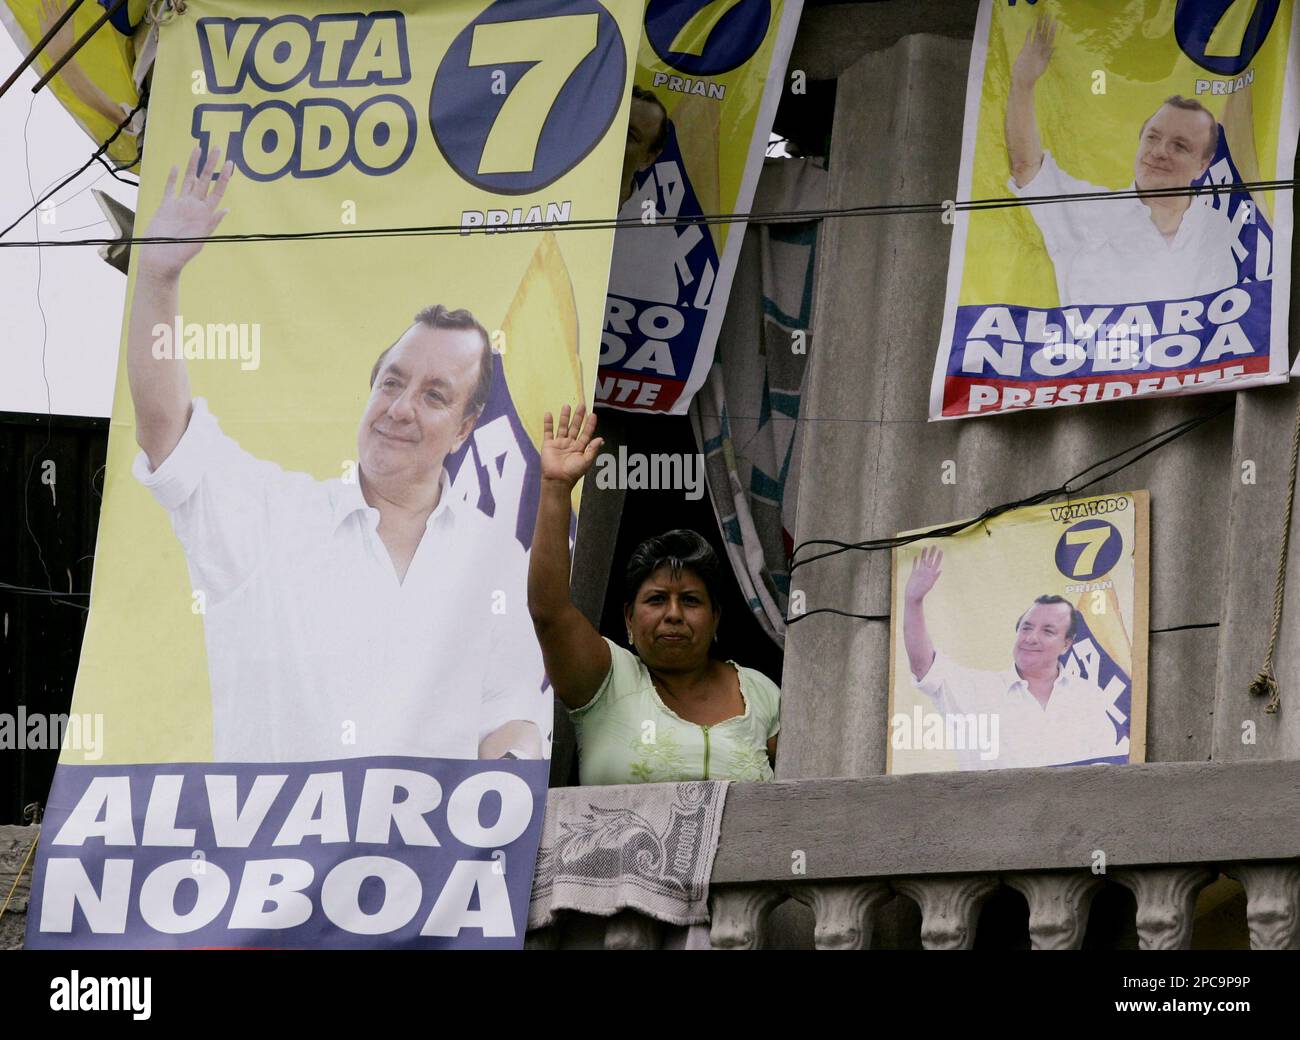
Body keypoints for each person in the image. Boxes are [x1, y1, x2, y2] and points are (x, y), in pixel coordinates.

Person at [128, 146, 545, 763]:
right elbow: (165, 430)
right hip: (268, 858)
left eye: (434, 395)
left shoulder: (495, 557)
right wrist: (158, 278)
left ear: (465, 429)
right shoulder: (272, 517)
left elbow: (510, 718)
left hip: (424, 860)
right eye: (392, 382)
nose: (401, 408)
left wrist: (510, 771)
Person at [527, 405, 780, 784]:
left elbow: (800, 796)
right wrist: (555, 487)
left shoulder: (760, 693)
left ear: (716, 618)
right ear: (628, 617)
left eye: (691, 600)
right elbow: (549, 610)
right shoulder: (607, 679)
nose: (674, 614)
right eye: (657, 599)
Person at [1004, 14, 1240, 306]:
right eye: (1152, 137)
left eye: (1179, 146)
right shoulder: (1092, 210)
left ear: (1202, 165)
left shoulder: (1217, 227)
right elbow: (1026, 167)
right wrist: (1023, 84)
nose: (1159, 151)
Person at [902, 546, 1127, 769]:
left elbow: (1104, 770)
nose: (1031, 638)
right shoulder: (979, 690)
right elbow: (924, 667)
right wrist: (914, 601)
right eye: (1026, 628)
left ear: (1066, 644)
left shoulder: (1088, 696)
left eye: (1047, 631)